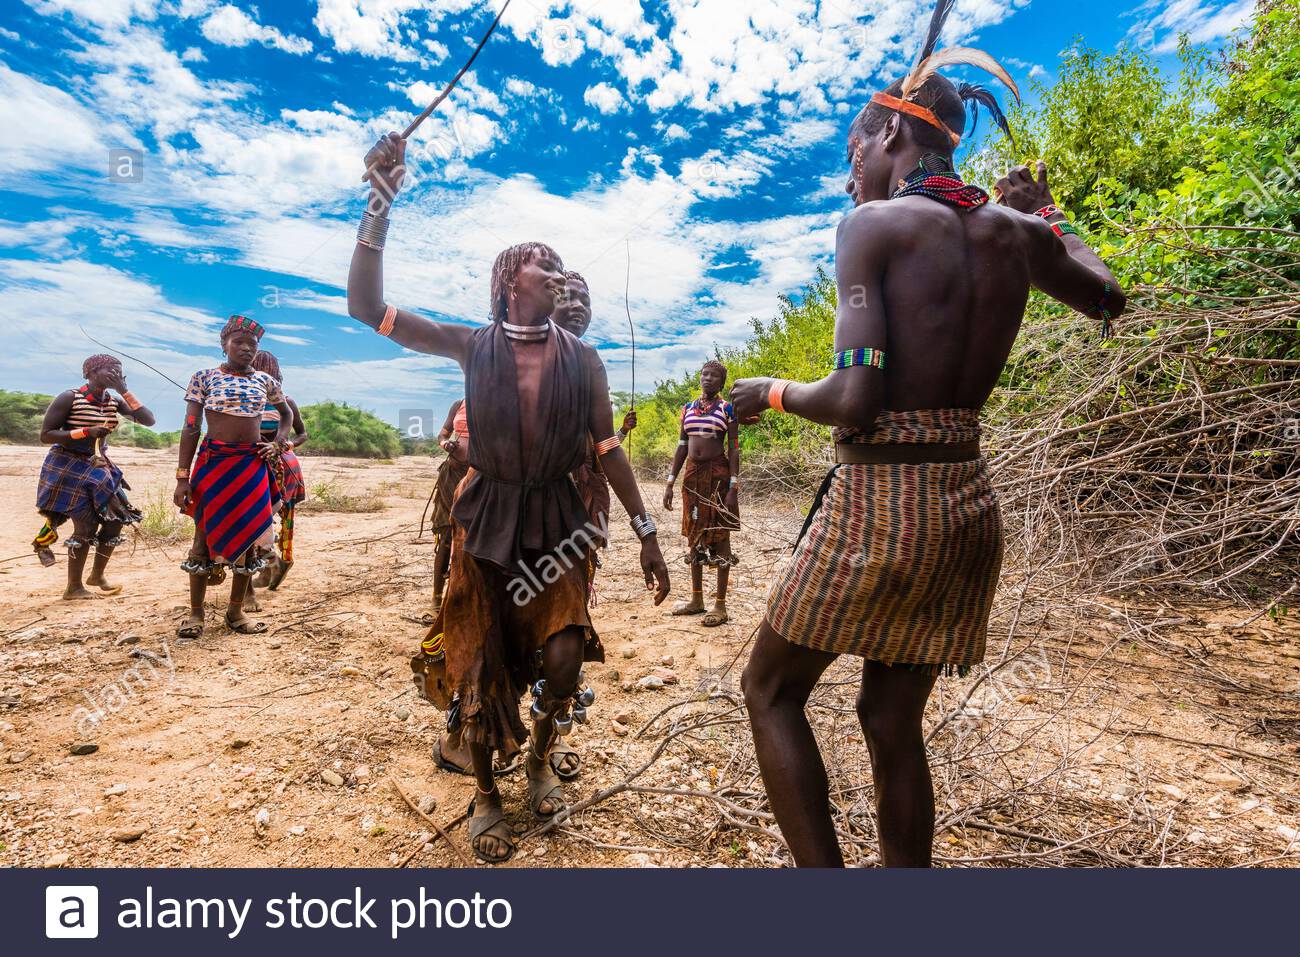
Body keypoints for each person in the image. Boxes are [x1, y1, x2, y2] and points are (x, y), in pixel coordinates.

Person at [731, 0, 1126, 867]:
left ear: (887, 139)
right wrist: (1053, 214)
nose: (848, 178)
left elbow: (857, 397)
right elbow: (1107, 298)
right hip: (964, 506)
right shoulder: (1018, 236)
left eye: (852, 155)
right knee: (888, 714)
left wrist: (773, 391)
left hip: (882, 504)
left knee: (768, 690)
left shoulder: (873, 225)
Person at [349, 131, 670, 863]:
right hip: (488, 520)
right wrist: (380, 201)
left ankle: (542, 753)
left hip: (557, 525)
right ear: (508, 283)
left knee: (562, 658)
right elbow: (366, 307)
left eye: (559, 262)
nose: (555, 269)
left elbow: (607, 449)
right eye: (541, 262)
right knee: (481, 664)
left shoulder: (583, 359)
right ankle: (487, 792)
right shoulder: (470, 343)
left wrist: (648, 532)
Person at [174, 316, 293, 639]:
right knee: (202, 536)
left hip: (251, 466)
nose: (246, 348)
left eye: (252, 344)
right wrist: (183, 477)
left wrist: (278, 443)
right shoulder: (204, 377)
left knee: (251, 537)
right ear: (223, 344)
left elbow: (287, 415)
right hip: (213, 464)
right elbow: (190, 427)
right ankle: (196, 614)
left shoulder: (266, 381)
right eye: (238, 342)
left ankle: (235, 612)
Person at [33, 355, 153, 598]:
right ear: (91, 372)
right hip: (67, 465)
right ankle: (73, 587)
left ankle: (97, 575)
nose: (116, 375)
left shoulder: (114, 400)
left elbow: (148, 420)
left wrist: (125, 390)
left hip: (98, 466)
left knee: (115, 520)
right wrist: (85, 432)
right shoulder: (70, 397)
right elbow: (47, 435)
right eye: (111, 370)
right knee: (86, 525)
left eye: (119, 372)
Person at [663, 360, 739, 627]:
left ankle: (720, 605)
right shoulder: (688, 409)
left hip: (717, 477)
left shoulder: (727, 409)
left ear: (721, 382)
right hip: (693, 478)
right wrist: (671, 482)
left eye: (714, 375)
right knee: (694, 534)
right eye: (705, 373)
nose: (707, 378)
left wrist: (733, 485)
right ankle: (696, 600)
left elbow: (734, 449)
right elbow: (682, 446)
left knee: (720, 537)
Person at [247, 350, 308, 597]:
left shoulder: (285, 401)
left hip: (278, 464)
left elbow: (302, 433)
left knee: (260, 518)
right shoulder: (243, 398)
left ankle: (267, 566)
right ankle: (272, 564)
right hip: (252, 460)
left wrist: (284, 444)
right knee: (258, 519)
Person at [429, 397, 469, 614]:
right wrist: (445, 443)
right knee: (446, 534)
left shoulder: (500, 403)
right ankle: (436, 598)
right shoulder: (458, 404)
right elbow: (442, 435)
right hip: (452, 475)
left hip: (485, 479)